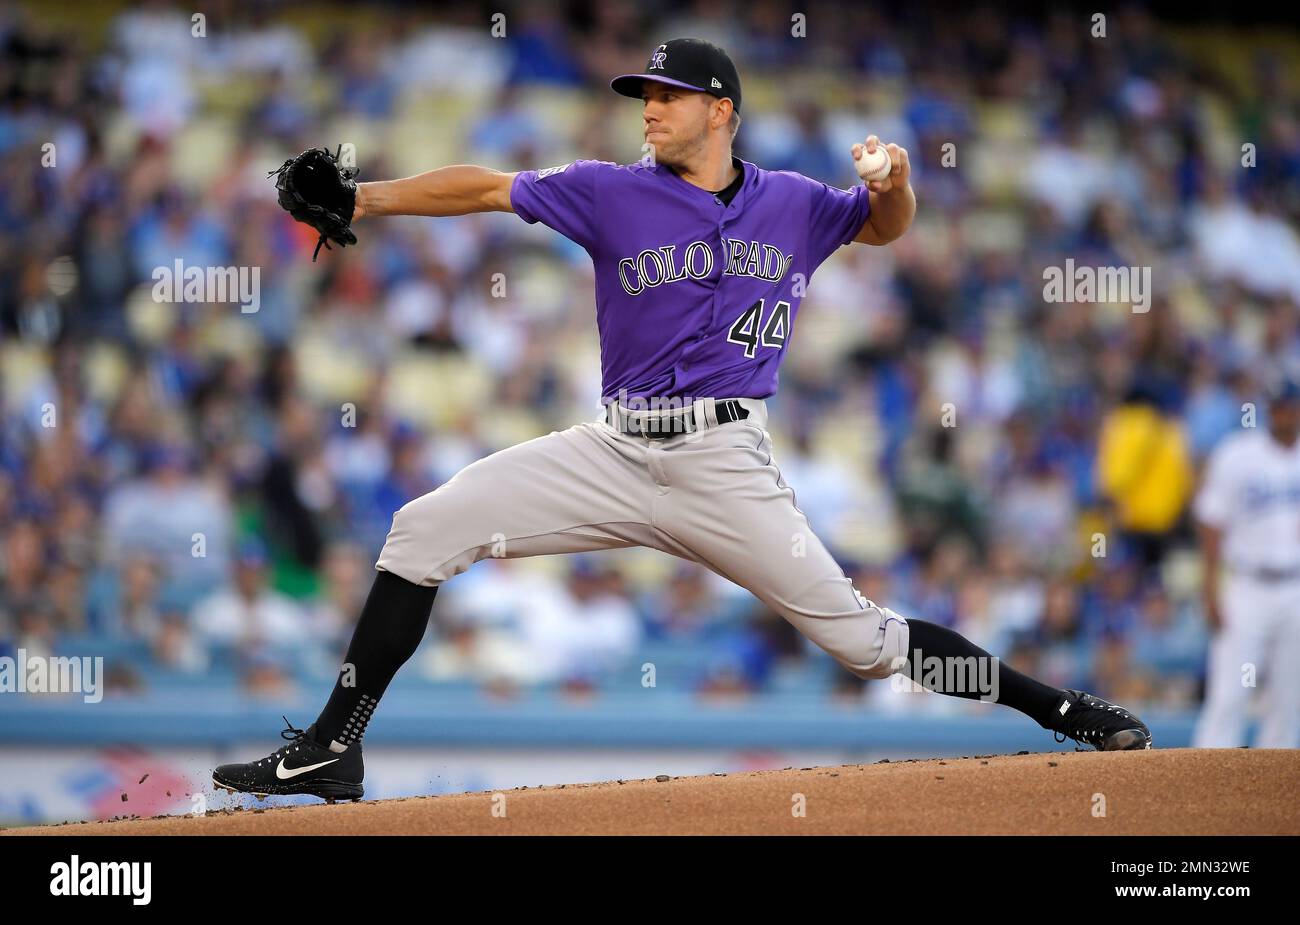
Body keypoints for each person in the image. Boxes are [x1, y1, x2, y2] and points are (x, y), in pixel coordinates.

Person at [214, 38, 1150, 802]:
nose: (651, 108)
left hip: (724, 459)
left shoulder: (793, 202)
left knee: (865, 645)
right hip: (613, 447)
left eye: (669, 94)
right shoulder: (609, 188)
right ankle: (332, 748)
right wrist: (367, 197)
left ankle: (1060, 711)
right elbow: (490, 185)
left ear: (721, 110)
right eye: (644, 95)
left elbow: (884, 225)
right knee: (422, 528)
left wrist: (894, 182)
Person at [1192, 377, 1300, 748]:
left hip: (1295, 585)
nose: (1284, 413)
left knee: (1290, 699)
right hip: (1247, 585)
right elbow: (1211, 521)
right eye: (1278, 406)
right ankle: (1205, 782)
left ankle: (1276, 794)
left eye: (1290, 405)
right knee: (1231, 692)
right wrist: (1210, 588)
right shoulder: (1238, 453)